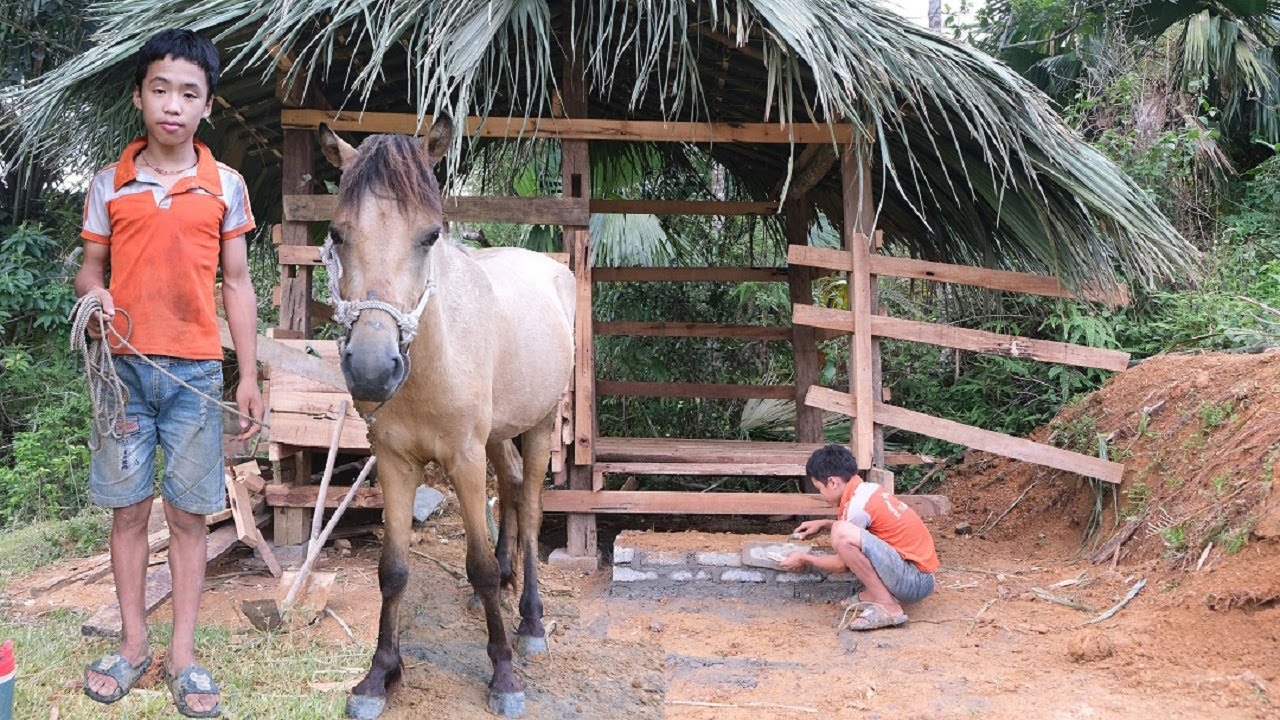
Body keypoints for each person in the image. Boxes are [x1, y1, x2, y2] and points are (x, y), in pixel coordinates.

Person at [74, 28, 262, 718]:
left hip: (194, 376)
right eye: (160, 89)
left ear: (207, 106)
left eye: (189, 93)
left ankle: (182, 655)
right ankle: (131, 644)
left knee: (188, 514)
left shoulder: (227, 188)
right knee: (129, 513)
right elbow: (91, 268)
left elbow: (238, 285)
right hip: (123, 372)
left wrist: (247, 375)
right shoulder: (108, 185)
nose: (172, 105)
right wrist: (90, 295)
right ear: (139, 96)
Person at [779, 444, 938, 630]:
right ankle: (877, 594)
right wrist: (824, 523)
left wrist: (805, 558)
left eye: (819, 488)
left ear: (833, 482)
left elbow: (841, 564)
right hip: (920, 575)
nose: (821, 495)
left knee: (841, 532)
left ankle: (888, 606)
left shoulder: (857, 506)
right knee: (839, 529)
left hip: (915, 581)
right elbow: (868, 534)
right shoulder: (866, 490)